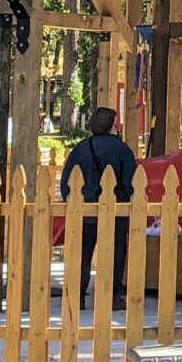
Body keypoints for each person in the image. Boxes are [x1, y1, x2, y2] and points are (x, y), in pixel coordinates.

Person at [60, 107, 137, 308]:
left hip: (84, 212)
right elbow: (132, 182)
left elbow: (66, 182)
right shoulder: (122, 150)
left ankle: (77, 296)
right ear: (113, 125)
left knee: (83, 253)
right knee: (115, 251)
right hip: (114, 211)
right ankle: (113, 296)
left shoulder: (80, 148)